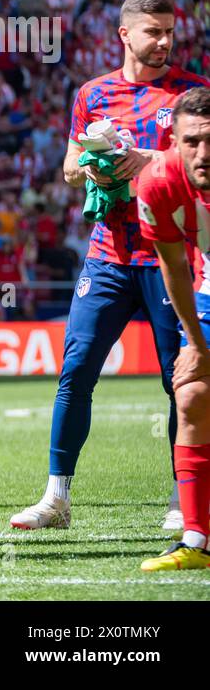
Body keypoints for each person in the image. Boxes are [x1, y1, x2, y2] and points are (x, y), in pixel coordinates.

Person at [10, 0, 207, 533]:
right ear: (124, 34)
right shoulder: (93, 94)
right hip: (108, 257)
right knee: (75, 372)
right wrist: (91, 171)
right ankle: (56, 498)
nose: (164, 41)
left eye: (169, 31)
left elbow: (201, 164)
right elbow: (71, 166)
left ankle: (181, 498)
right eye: (153, 31)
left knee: (181, 381)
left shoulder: (192, 93)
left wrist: (150, 160)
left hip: (171, 256)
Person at [135, 87, 210, 570]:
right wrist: (197, 345)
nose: (203, 153)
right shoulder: (157, 182)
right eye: (192, 142)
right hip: (206, 284)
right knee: (191, 394)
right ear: (173, 140)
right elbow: (174, 267)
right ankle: (197, 539)